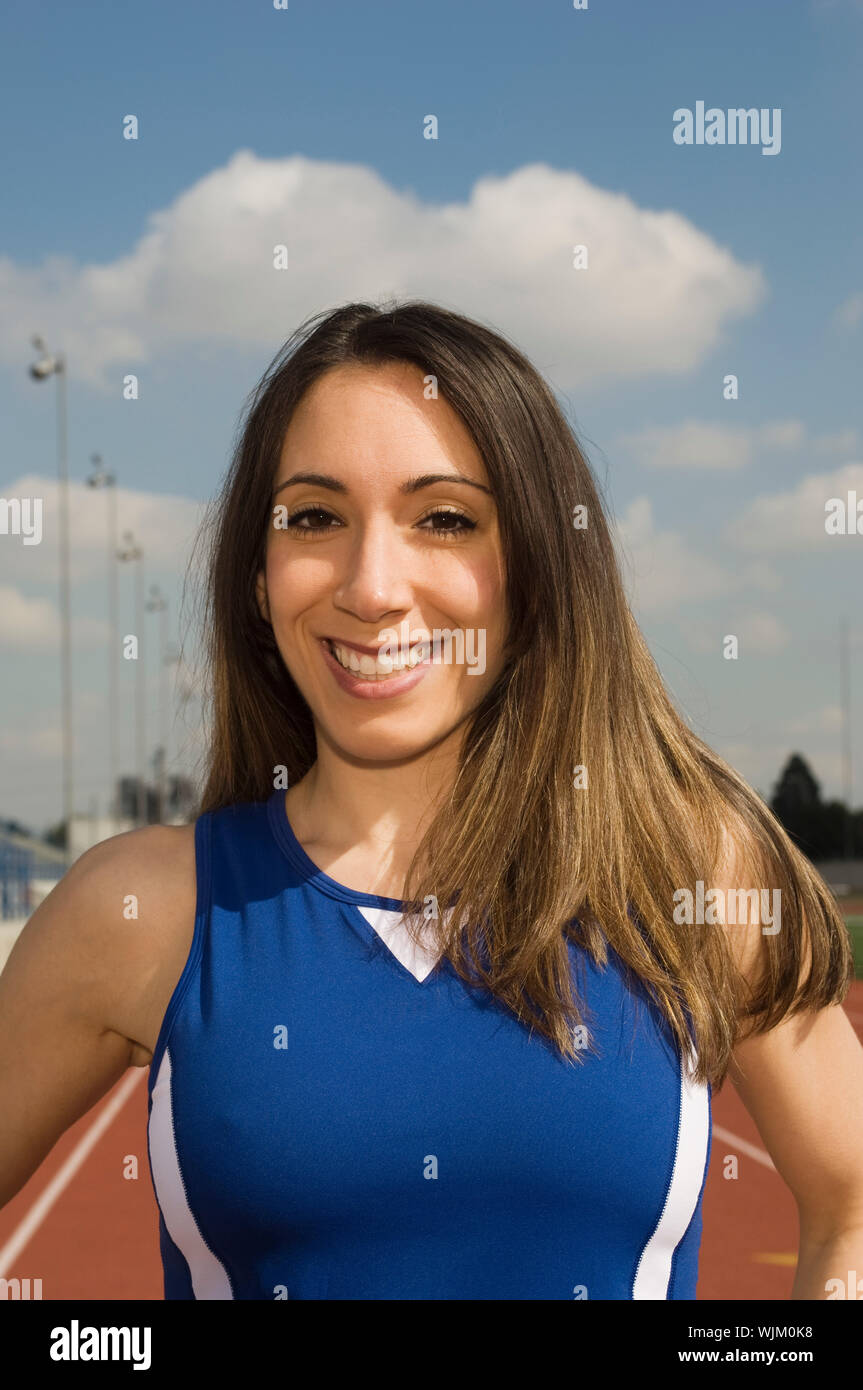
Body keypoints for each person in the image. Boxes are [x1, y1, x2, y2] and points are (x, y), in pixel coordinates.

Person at [1, 300, 861, 1300]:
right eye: (314, 517)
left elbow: (850, 1203)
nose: (372, 586)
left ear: (538, 566)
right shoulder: (142, 911)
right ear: (257, 573)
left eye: (444, 518)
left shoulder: (688, 870)